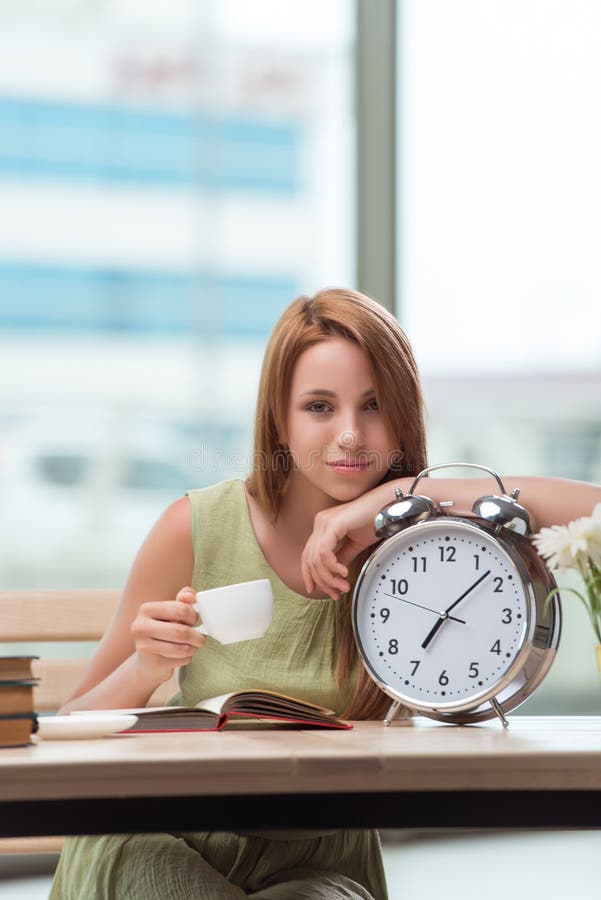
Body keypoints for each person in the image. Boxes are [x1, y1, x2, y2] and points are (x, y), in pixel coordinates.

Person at [50, 288, 601, 900]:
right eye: (319, 406)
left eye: (373, 405)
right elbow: (70, 727)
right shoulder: (195, 526)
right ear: (279, 422)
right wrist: (145, 667)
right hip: (159, 841)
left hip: (319, 865)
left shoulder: (417, 539)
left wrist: (375, 508)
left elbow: (595, 512)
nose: (349, 435)